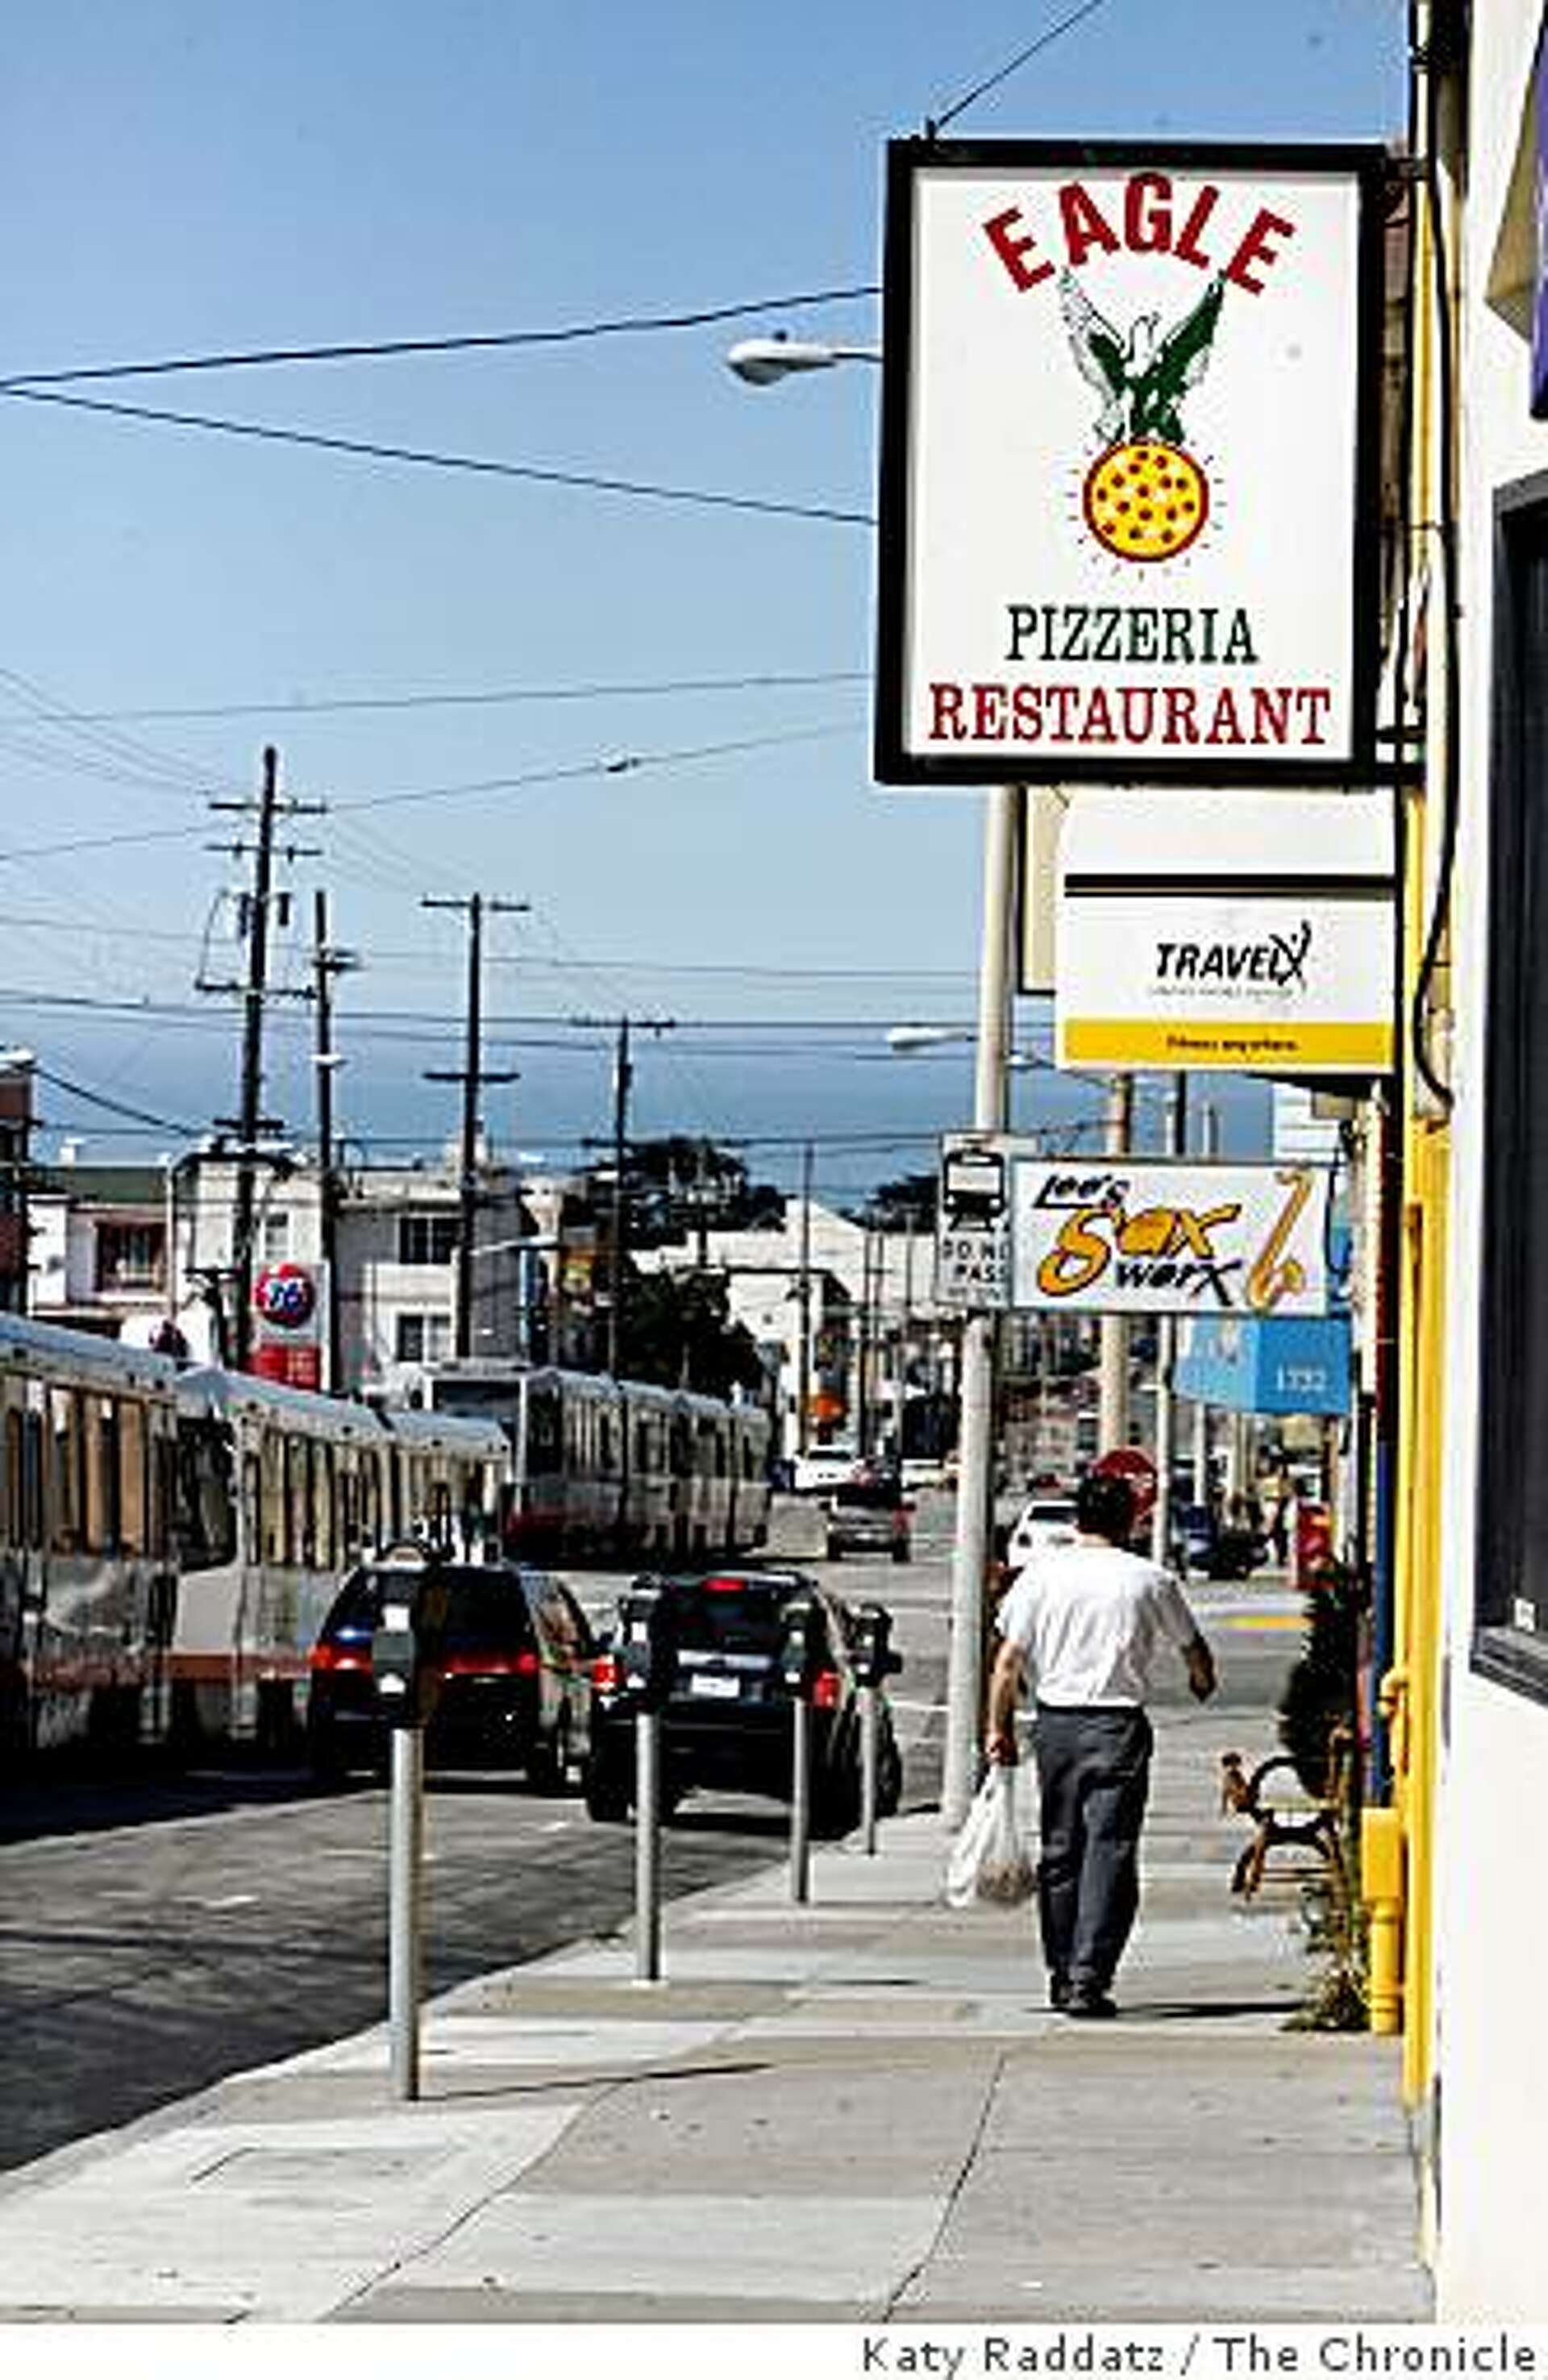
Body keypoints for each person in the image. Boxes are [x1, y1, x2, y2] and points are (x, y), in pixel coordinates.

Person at [985, 1467, 1217, 2020]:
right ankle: (1090, 1976)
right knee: (1109, 1852)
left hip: (1056, 1725)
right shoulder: (1148, 1580)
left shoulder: (1042, 1576)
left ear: (1077, 1518)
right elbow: (1193, 1649)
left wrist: (1000, 1729)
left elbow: (1008, 1662)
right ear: (1131, 1520)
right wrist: (1201, 1680)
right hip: (1117, 1727)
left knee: (1061, 1850)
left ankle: (1062, 1969)